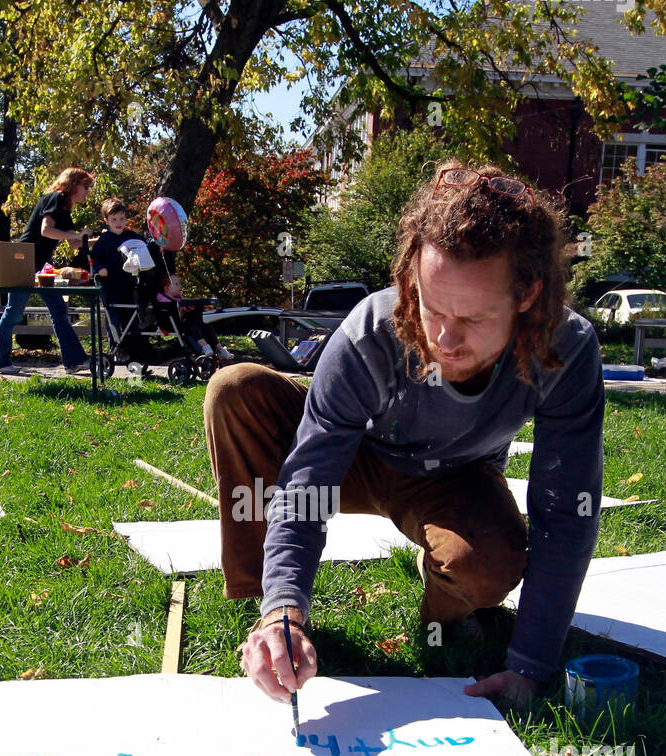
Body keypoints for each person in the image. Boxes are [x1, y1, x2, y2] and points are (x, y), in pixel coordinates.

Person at [205, 160, 605, 710]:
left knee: (485, 565)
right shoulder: (371, 330)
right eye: (432, 306)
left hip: (454, 476)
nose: (444, 338)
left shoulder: (566, 350)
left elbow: (565, 514)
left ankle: (446, 606)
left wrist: (530, 665)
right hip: (353, 459)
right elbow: (307, 484)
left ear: (528, 296)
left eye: (473, 319)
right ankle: (269, 613)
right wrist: (285, 608)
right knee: (237, 388)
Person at [0, 167, 94, 375]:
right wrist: (79, 235)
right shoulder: (56, 198)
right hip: (23, 261)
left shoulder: (65, 208)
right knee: (14, 312)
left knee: (59, 311)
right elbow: (47, 230)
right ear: (72, 184)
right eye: (85, 186)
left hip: (41, 266)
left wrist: (99, 240)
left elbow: (73, 243)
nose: (87, 191)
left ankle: (74, 361)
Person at [91, 197, 156, 366]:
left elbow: (147, 246)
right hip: (110, 287)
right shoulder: (104, 241)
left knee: (131, 318)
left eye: (121, 218)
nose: (118, 222)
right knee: (113, 319)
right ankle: (116, 349)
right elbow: (95, 259)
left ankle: (133, 350)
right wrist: (99, 269)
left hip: (129, 285)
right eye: (114, 219)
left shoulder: (132, 236)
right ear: (107, 221)